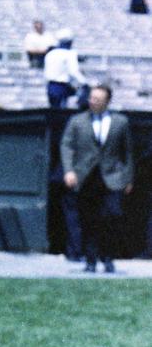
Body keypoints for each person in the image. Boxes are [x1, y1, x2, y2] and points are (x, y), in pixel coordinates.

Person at [61, 84, 133, 273]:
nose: (93, 102)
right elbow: (66, 146)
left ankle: (108, 259)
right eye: (91, 98)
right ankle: (90, 260)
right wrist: (69, 170)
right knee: (88, 219)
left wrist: (128, 178)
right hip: (86, 178)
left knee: (111, 218)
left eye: (98, 99)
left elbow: (127, 153)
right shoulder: (77, 121)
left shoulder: (120, 122)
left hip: (112, 178)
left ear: (107, 102)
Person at [43, 32, 86, 109]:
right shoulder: (70, 54)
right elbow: (74, 71)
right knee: (62, 110)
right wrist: (84, 82)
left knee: (53, 109)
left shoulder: (50, 53)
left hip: (50, 85)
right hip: (62, 86)